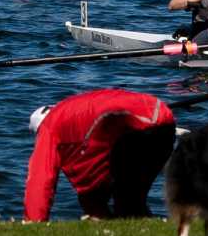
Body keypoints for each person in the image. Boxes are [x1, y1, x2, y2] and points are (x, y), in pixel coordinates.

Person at [22, 90, 176, 221]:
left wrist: (33, 221)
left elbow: (40, 178)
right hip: (161, 115)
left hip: (140, 127)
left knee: (115, 201)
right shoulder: (72, 111)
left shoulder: (49, 127)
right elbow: (98, 151)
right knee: (132, 198)